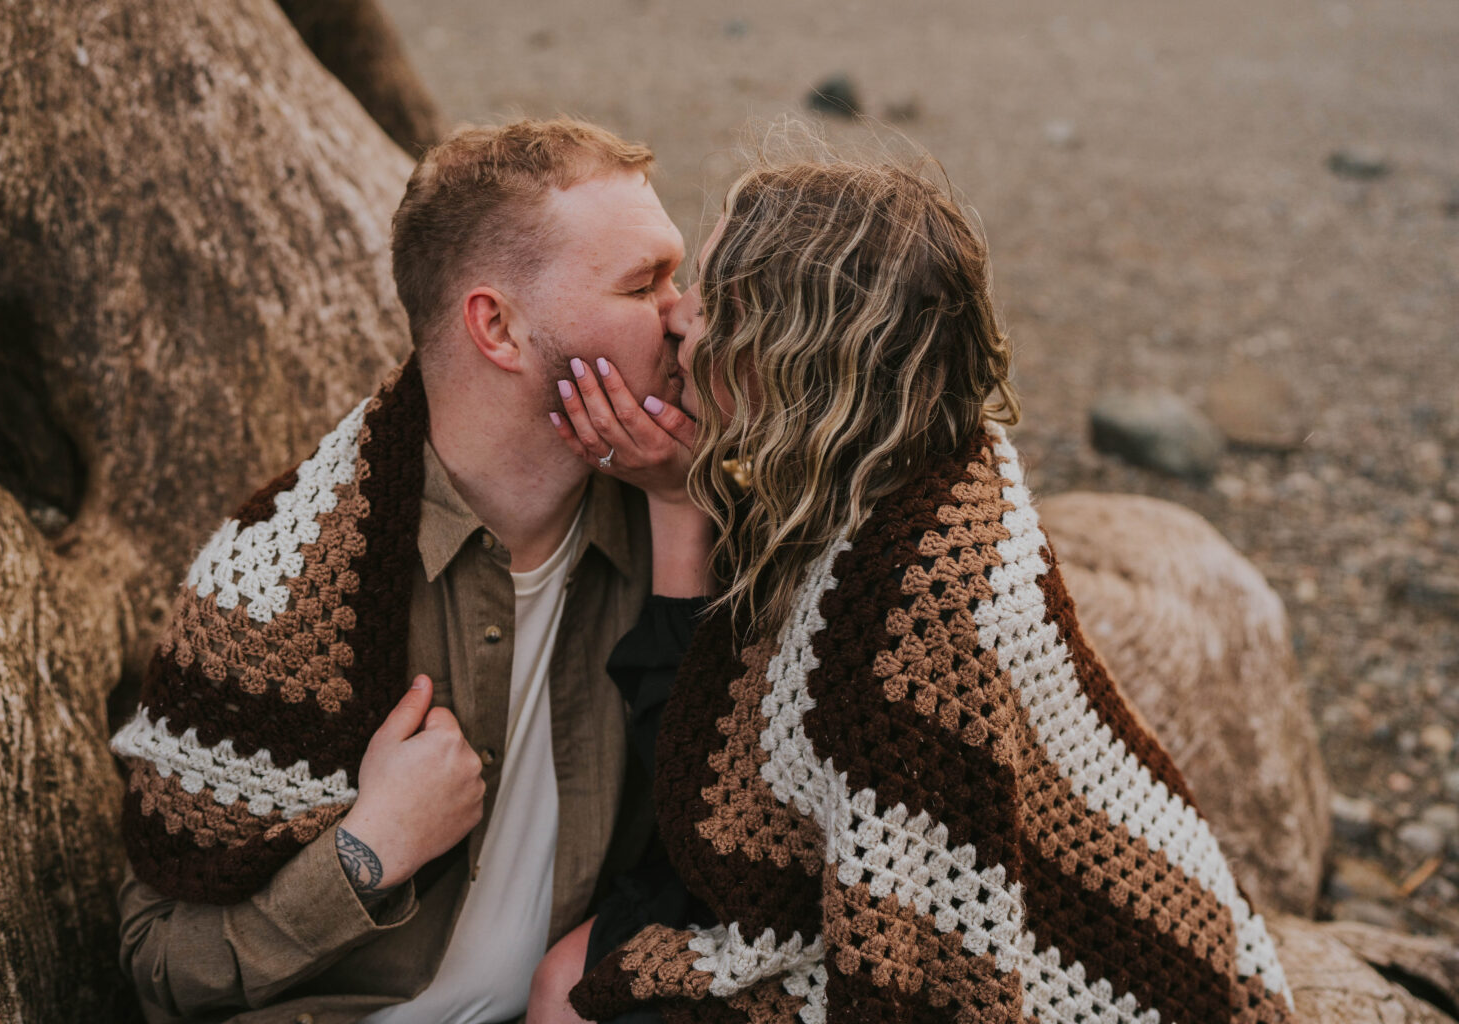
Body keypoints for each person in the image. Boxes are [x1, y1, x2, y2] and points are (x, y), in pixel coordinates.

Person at [527, 142, 1297, 1022]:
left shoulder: (915, 605)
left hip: (1076, 967)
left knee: (576, 996)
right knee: (574, 975)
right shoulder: (878, 462)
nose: (678, 318)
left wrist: (674, 505)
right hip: (942, 904)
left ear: (789, 348)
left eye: (712, 299)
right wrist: (686, 486)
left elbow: (746, 844)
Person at [110, 117, 690, 1024]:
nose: (685, 313)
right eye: (644, 284)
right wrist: (366, 853)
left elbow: (743, 846)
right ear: (497, 326)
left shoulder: (683, 521)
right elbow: (160, 966)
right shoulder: (279, 586)